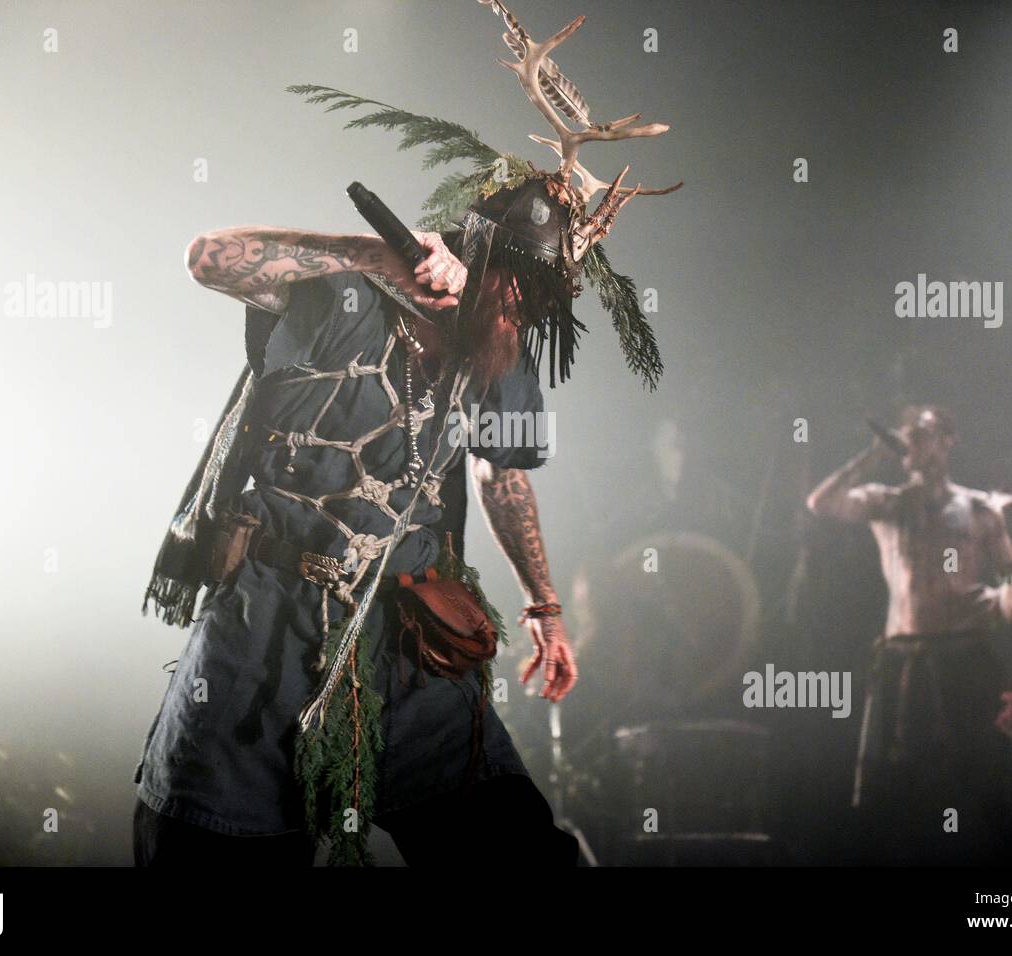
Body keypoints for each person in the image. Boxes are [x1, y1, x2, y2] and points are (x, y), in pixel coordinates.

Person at [133, 3, 683, 865]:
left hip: (414, 633)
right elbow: (210, 256)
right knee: (211, 848)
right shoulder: (348, 300)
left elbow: (506, 475)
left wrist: (545, 609)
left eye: (541, 302)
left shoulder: (505, 355)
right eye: (519, 289)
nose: (525, 313)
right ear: (480, 255)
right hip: (267, 623)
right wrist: (369, 254)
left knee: (514, 851)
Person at [806, 405, 1012, 865]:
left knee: (982, 770)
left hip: (964, 653)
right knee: (896, 775)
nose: (914, 444)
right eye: (908, 437)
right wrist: (869, 457)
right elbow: (820, 503)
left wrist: (1006, 597)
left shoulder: (977, 508)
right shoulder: (888, 503)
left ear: (948, 441)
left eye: (923, 434)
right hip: (905, 655)